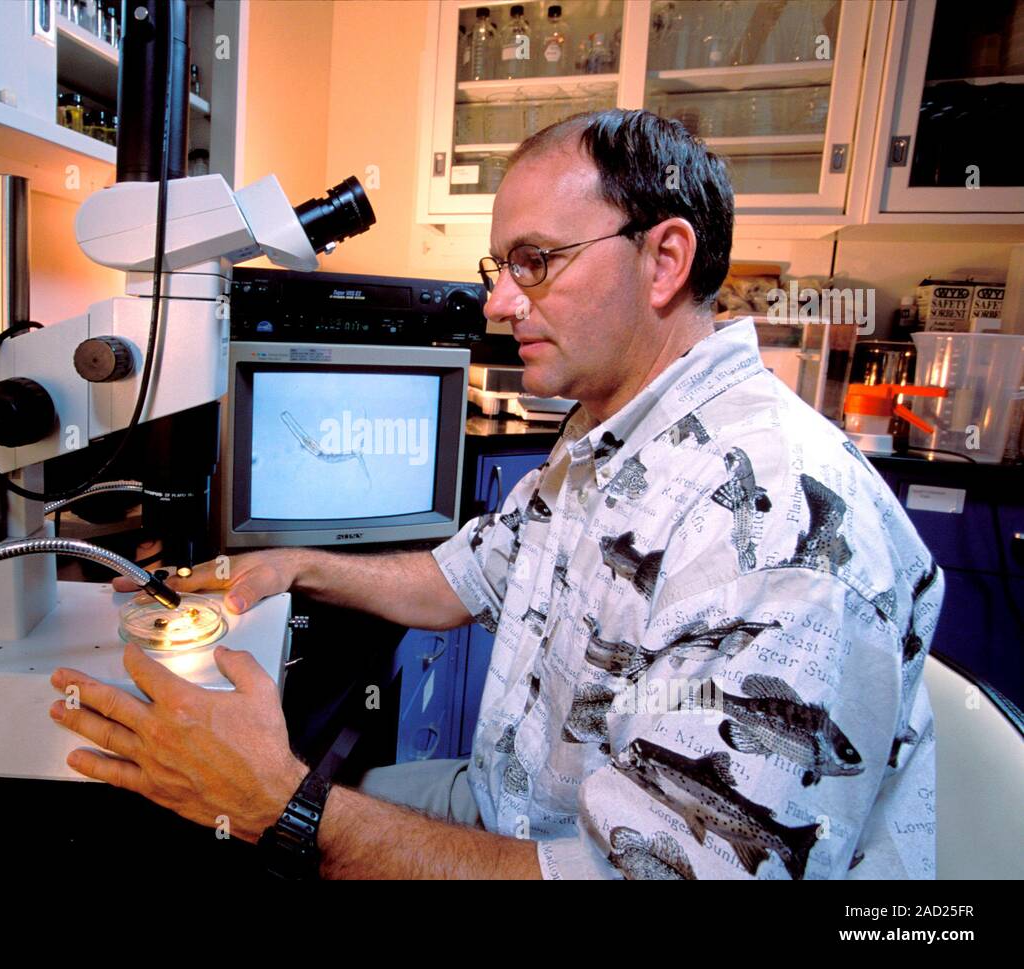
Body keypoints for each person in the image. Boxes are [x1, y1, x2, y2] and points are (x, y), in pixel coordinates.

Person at [48, 109, 941, 879]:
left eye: (535, 262)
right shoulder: (613, 434)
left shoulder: (781, 528)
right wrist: (292, 566)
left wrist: (281, 806)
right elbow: (468, 575)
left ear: (665, 259)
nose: (498, 304)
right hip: (514, 810)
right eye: (499, 267)